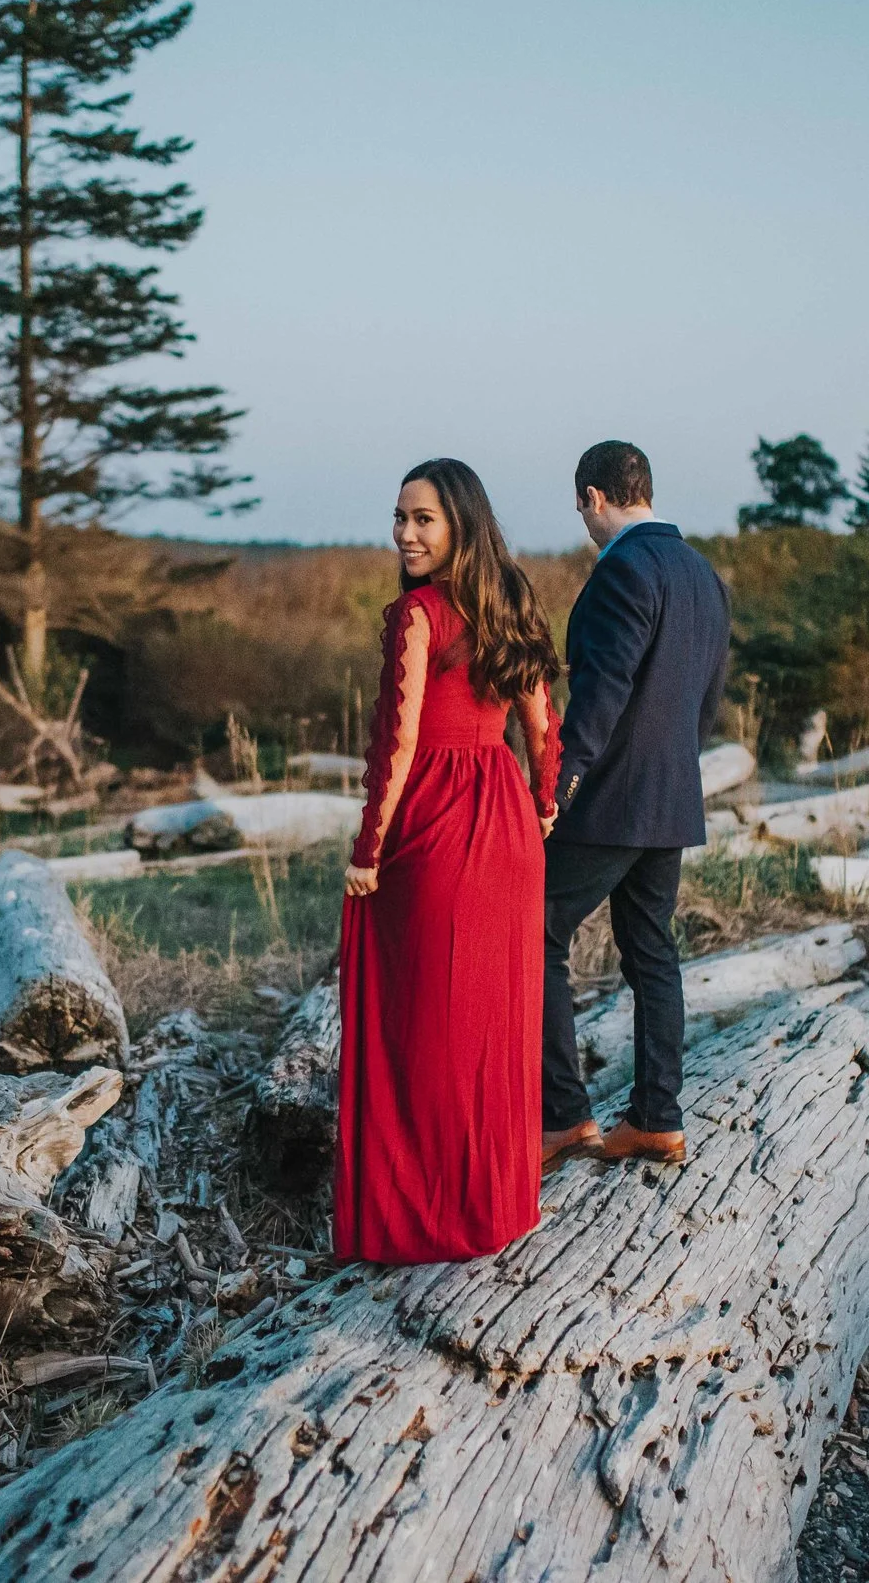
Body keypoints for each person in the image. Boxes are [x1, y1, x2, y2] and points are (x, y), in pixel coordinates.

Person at [334, 459, 564, 1264]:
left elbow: (396, 745)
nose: (405, 533)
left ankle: (425, 1216)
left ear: (460, 522)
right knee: (491, 1022)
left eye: (423, 518)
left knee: (425, 1023)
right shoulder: (511, 599)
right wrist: (540, 804)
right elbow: (543, 725)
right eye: (399, 517)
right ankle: (493, 1204)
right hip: (502, 820)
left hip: (434, 822)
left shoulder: (417, 614)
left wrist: (368, 851)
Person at [540, 440, 731, 1169]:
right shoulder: (704, 576)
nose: (583, 520)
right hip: (673, 797)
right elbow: (705, 700)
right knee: (652, 952)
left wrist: (559, 787)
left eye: (581, 508)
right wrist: (678, 767)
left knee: (535, 931)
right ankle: (657, 1117)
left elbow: (601, 693)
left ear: (593, 497)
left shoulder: (622, 569)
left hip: (612, 801)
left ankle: (562, 1116)